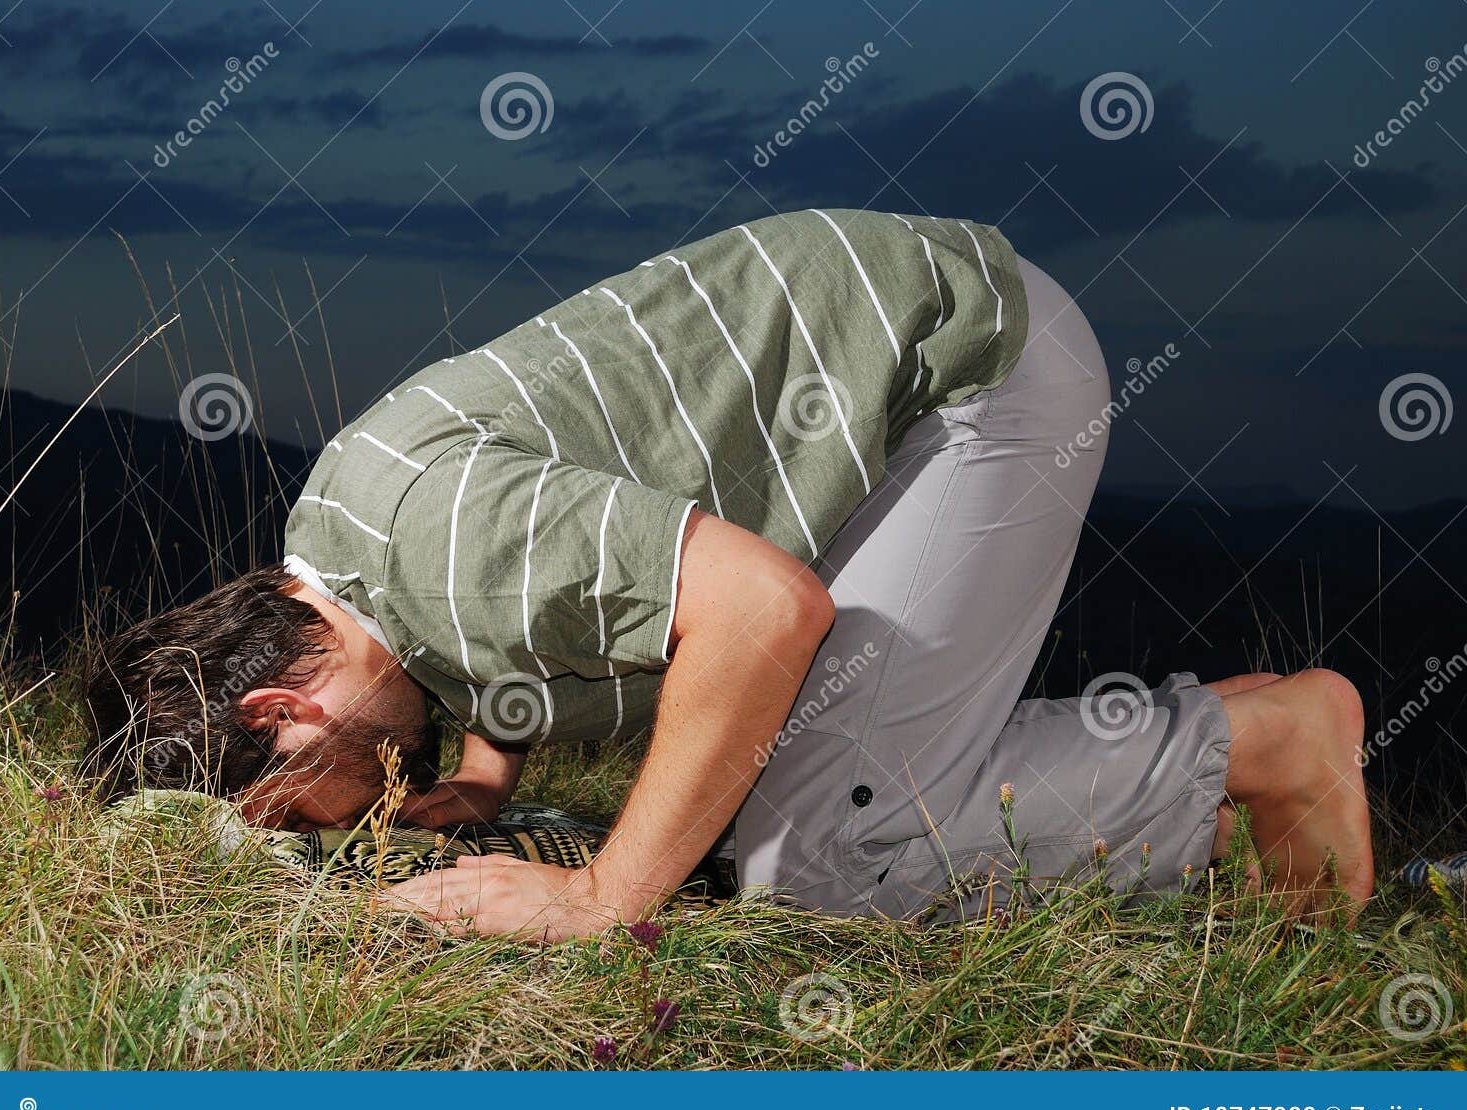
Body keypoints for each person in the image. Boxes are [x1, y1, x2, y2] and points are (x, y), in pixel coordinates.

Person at [78, 208, 1373, 941]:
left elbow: (764, 609)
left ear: (279, 713)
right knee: (776, 814)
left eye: (305, 812)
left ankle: (1274, 736)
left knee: (810, 860)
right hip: (904, 384)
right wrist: (483, 775)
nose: (349, 820)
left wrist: (601, 895)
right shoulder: (346, 544)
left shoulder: (439, 543)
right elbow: (535, 593)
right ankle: (1182, 793)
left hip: (966, 372)